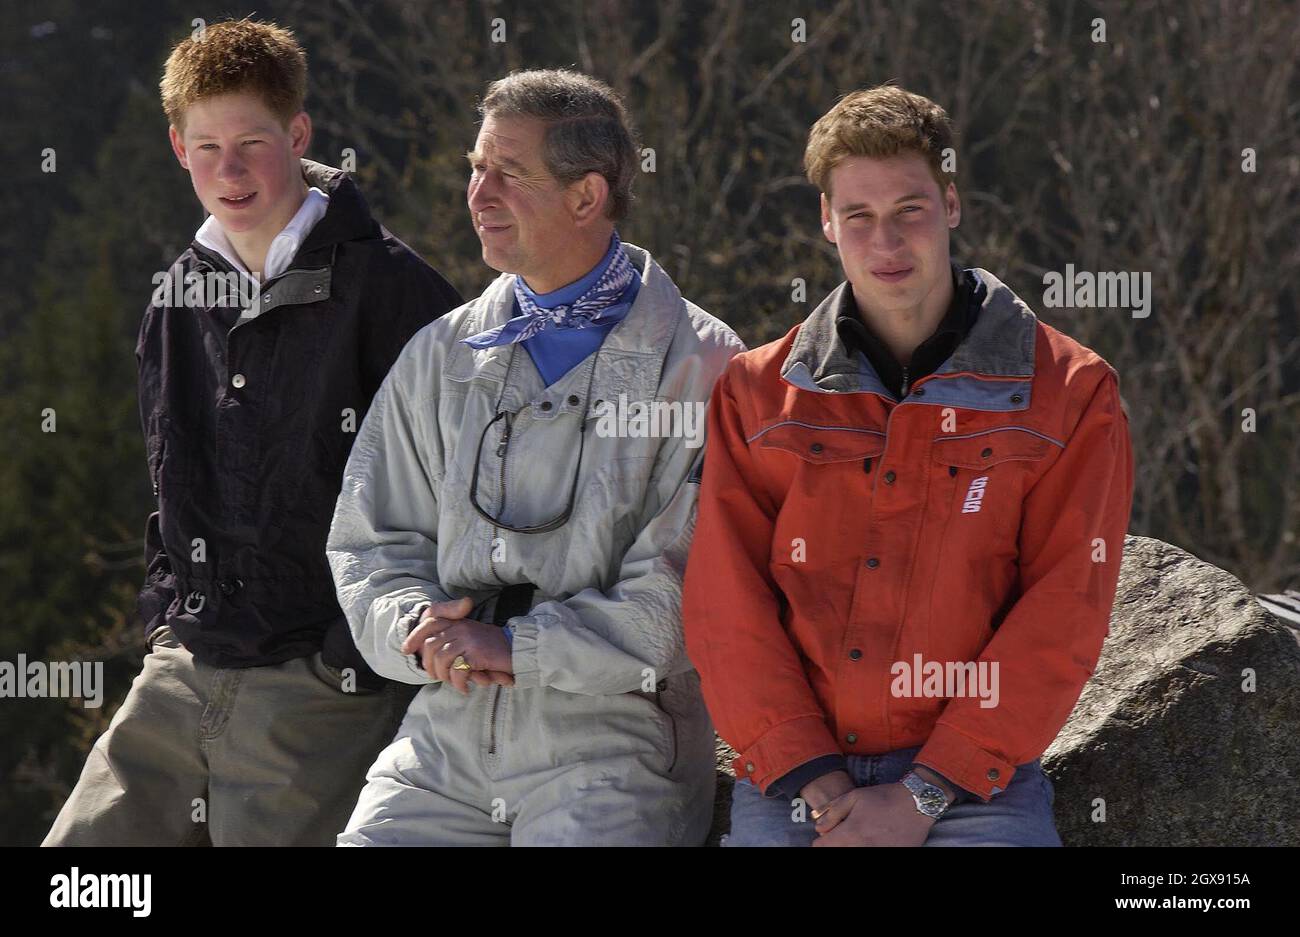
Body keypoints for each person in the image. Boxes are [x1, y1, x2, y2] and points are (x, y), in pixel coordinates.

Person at [43, 18, 461, 846]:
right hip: (185, 662)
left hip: (316, 681)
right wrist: (167, 613)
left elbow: (453, 497)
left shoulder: (393, 290)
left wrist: (347, 659)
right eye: (206, 148)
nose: (228, 172)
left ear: (298, 133)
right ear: (176, 147)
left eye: (252, 143)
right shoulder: (176, 295)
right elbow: (169, 480)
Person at [683, 84, 1135, 846]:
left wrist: (925, 791)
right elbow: (725, 602)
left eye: (910, 210)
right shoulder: (759, 393)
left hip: (974, 783)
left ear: (951, 204)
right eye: (857, 215)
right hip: (797, 778)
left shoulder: (1069, 389)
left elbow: (1064, 608)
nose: (886, 243)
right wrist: (813, 776)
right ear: (827, 222)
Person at [327, 68, 745, 846]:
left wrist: (519, 645)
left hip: (614, 742)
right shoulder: (442, 353)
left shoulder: (701, 362)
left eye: (507, 174)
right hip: (444, 738)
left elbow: (692, 593)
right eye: (475, 168)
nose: (478, 194)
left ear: (586, 197)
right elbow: (370, 539)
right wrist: (416, 625)